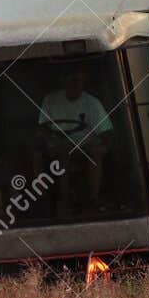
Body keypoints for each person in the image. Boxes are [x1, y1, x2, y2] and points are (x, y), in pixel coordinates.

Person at [37, 67, 113, 212]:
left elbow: (107, 132)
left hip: (84, 147)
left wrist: (103, 147)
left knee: (94, 156)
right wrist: (49, 139)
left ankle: (93, 200)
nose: (75, 84)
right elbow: (42, 127)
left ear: (84, 81)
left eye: (79, 80)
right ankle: (44, 200)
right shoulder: (50, 100)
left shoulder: (92, 103)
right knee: (37, 154)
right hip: (57, 146)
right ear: (63, 81)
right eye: (72, 80)